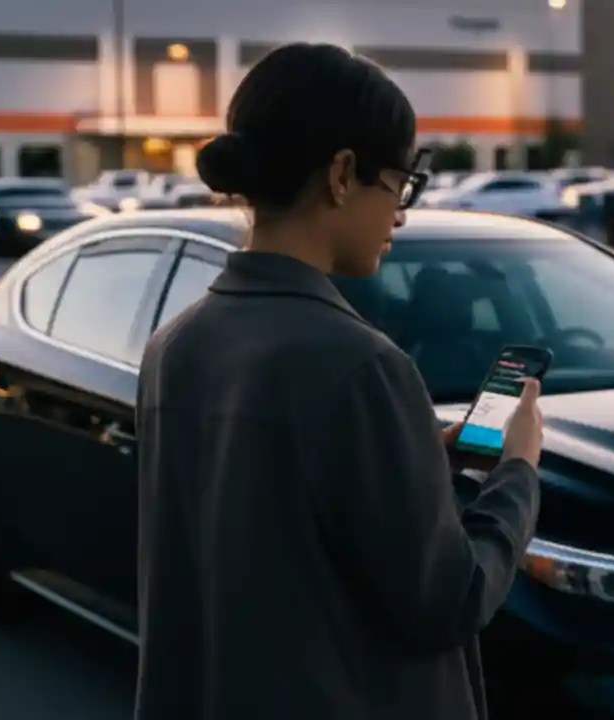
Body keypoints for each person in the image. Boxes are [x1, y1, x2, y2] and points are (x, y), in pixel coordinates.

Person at [134, 43, 544, 720]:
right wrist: (518, 473)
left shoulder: (174, 345)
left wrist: (414, 461)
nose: (403, 214)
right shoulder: (360, 366)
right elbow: (449, 600)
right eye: (402, 183)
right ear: (344, 174)